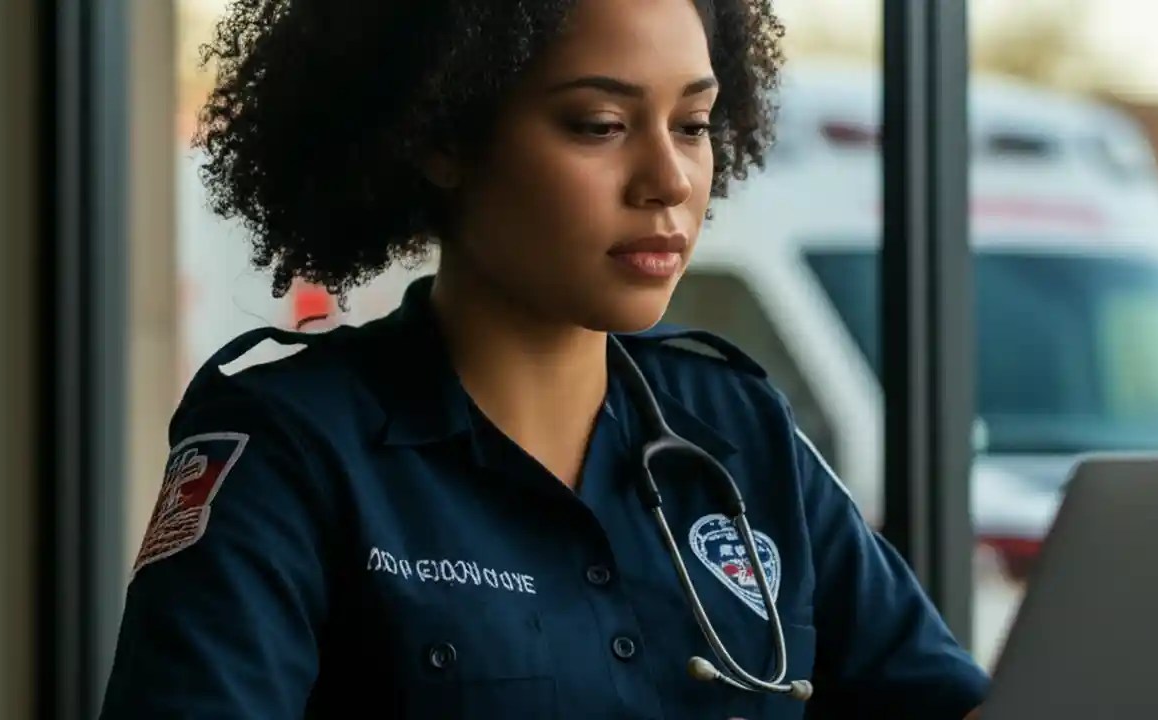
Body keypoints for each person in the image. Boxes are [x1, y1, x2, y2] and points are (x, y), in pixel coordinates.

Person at [100, 0, 989, 717]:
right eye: (601, 124)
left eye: (692, 124)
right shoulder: (290, 449)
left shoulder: (740, 430)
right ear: (443, 135)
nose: (670, 179)